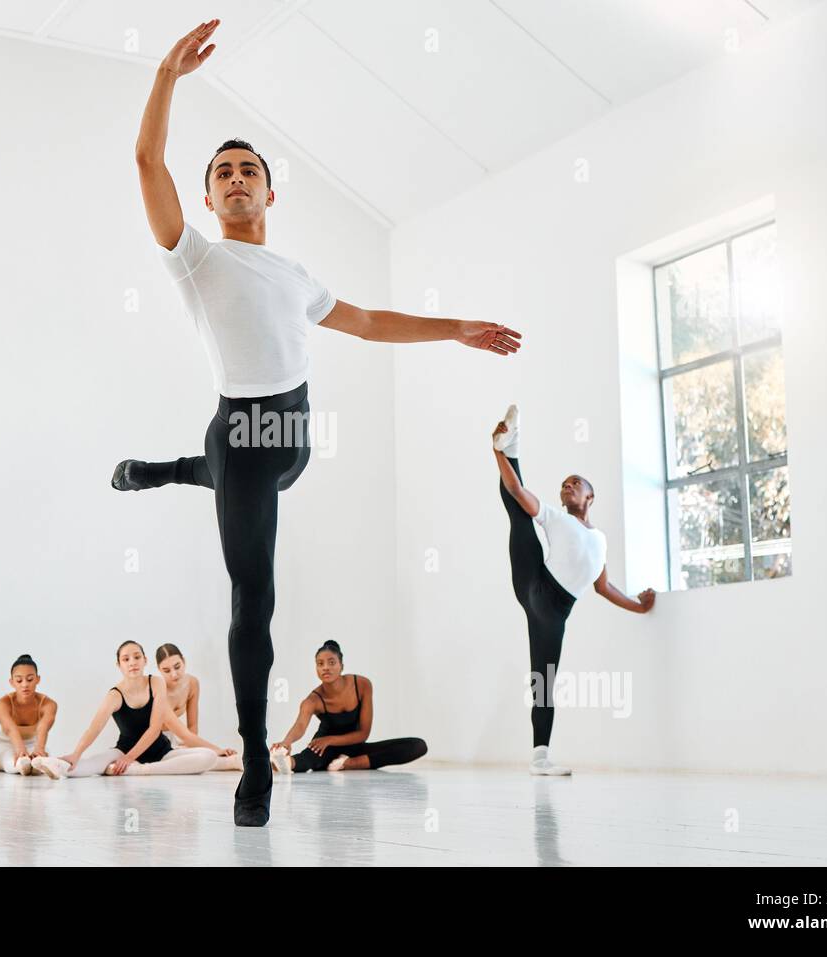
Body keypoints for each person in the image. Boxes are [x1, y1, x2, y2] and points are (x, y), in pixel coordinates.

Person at [116, 19, 522, 826]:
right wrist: (166, 73)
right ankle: (256, 762)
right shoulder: (196, 256)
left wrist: (457, 327)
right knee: (252, 595)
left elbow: (369, 321)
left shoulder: (297, 274)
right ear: (208, 198)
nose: (235, 179)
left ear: (271, 191)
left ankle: (171, 469)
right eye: (222, 173)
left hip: (293, 436)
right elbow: (145, 162)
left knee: (225, 467)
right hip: (243, 438)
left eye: (248, 170)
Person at [492, 404, 656, 775]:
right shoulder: (553, 516)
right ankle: (509, 446)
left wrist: (639, 607)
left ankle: (540, 758)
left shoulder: (599, 540)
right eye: (564, 484)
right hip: (534, 581)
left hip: (555, 612)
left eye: (575, 483)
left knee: (544, 679)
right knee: (519, 510)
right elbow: (516, 489)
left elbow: (603, 587)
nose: (567, 486)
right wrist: (496, 452)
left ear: (590, 497)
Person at [57, 641, 224, 777]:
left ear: (145, 660)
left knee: (208, 756)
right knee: (90, 764)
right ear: (119, 665)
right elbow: (93, 729)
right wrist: (76, 754)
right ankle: (54, 765)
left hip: (161, 752)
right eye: (126, 659)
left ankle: (141, 770)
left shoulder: (157, 683)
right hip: (124, 750)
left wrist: (130, 759)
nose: (132, 663)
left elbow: (154, 728)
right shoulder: (114, 695)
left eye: (137, 657)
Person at [270, 641, 427, 773]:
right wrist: (286, 742)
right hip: (325, 748)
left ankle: (348, 764)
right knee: (308, 758)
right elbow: (300, 725)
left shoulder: (362, 685)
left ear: (341, 666)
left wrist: (330, 740)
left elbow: (363, 733)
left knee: (417, 746)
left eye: (331, 662)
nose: (325, 667)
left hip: (355, 748)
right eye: (320, 664)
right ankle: (279, 763)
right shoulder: (312, 700)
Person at [155, 643, 242, 771]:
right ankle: (233, 762)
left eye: (177, 667)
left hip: (174, 741)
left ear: (184, 661)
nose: (174, 674)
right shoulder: (159, 689)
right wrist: (217, 750)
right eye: (166, 671)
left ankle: (235, 761)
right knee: (205, 756)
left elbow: (192, 728)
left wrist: (192, 747)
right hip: (154, 742)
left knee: (200, 755)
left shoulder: (192, 683)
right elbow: (184, 735)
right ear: (159, 669)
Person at [0, 654, 66, 778]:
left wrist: (39, 750)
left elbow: (43, 728)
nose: (25, 684)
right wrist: (20, 751)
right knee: (10, 760)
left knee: (42, 758)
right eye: (19, 680)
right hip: (4, 745)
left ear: (38, 679)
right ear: (12, 682)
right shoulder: (2, 703)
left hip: (33, 745)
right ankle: (22, 765)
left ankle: (34, 765)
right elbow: (10, 728)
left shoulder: (49, 704)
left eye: (30, 679)